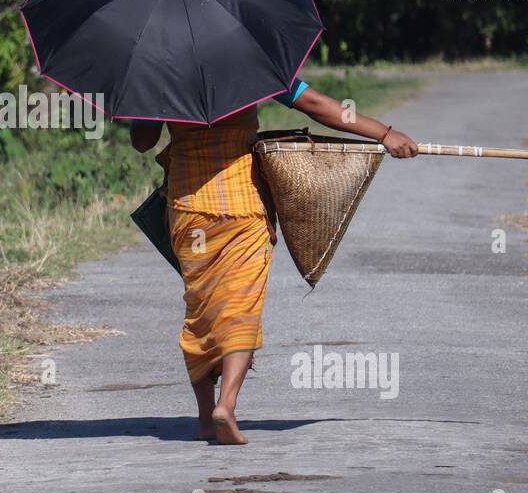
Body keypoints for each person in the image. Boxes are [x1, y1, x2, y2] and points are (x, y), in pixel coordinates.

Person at [129, 77, 418, 445]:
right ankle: (227, 405)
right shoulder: (251, 60)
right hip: (243, 205)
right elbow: (313, 104)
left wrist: (151, 100)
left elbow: (142, 142)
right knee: (241, 305)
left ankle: (205, 417)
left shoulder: (160, 72)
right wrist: (384, 133)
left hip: (189, 208)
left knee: (200, 306)